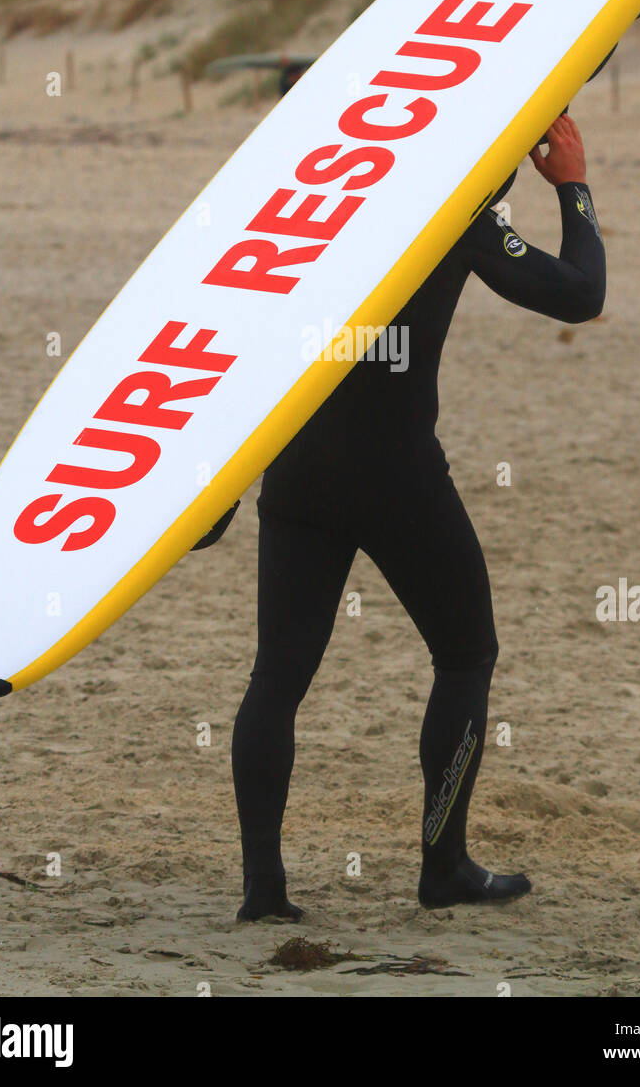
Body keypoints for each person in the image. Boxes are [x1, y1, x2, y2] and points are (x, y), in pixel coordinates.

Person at [200, 113, 606, 920]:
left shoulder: (310, 210)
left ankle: (263, 889)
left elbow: (229, 335)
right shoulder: (450, 214)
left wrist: (212, 489)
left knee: (275, 681)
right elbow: (581, 295)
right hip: (396, 475)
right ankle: (443, 866)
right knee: (466, 653)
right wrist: (574, 187)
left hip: (297, 472)